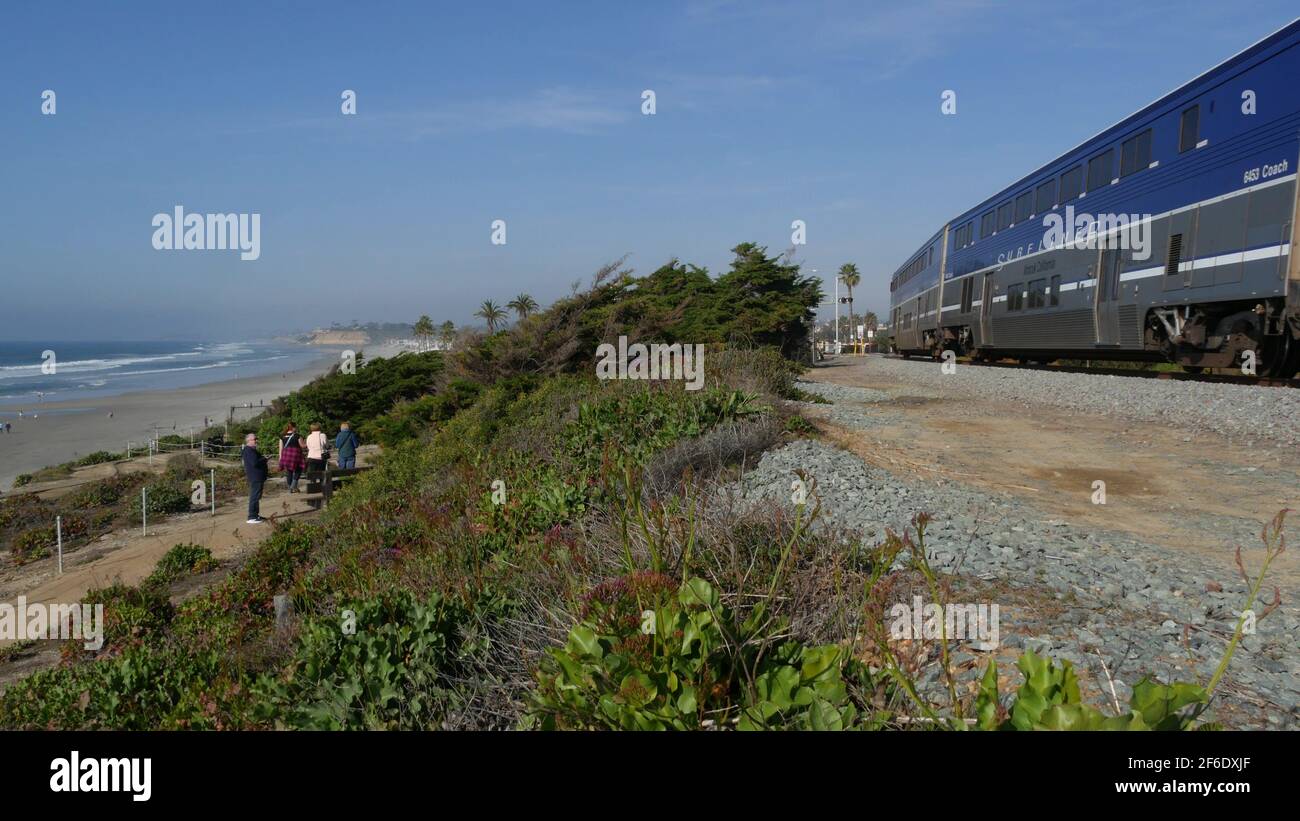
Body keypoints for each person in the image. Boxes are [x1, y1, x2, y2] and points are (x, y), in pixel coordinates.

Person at [241, 433, 268, 524]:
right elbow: (254, 463)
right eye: (254, 439)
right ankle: (252, 516)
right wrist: (264, 459)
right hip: (255, 476)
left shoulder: (251, 450)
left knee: (256, 496)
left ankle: (255, 515)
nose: (256, 440)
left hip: (257, 476)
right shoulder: (248, 450)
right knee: (254, 496)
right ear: (249, 441)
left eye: (256, 439)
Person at [278, 422, 307, 492]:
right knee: (298, 469)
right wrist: (307, 443)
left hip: (286, 455)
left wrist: (280, 458)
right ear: (294, 427)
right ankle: (293, 486)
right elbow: (302, 446)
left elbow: (280, 448)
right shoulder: (297, 436)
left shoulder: (282, 436)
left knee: (289, 471)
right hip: (295, 455)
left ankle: (290, 488)